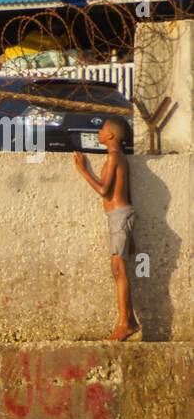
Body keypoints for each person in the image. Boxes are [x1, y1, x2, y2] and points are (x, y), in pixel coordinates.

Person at [74, 119, 140, 341]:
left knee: (119, 270)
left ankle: (125, 323)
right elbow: (128, 192)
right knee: (117, 270)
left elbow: (104, 190)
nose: (99, 132)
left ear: (110, 135)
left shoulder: (114, 157)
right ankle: (128, 320)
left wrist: (83, 170)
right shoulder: (120, 158)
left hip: (119, 216)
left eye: (102, 129)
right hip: (120, 217)